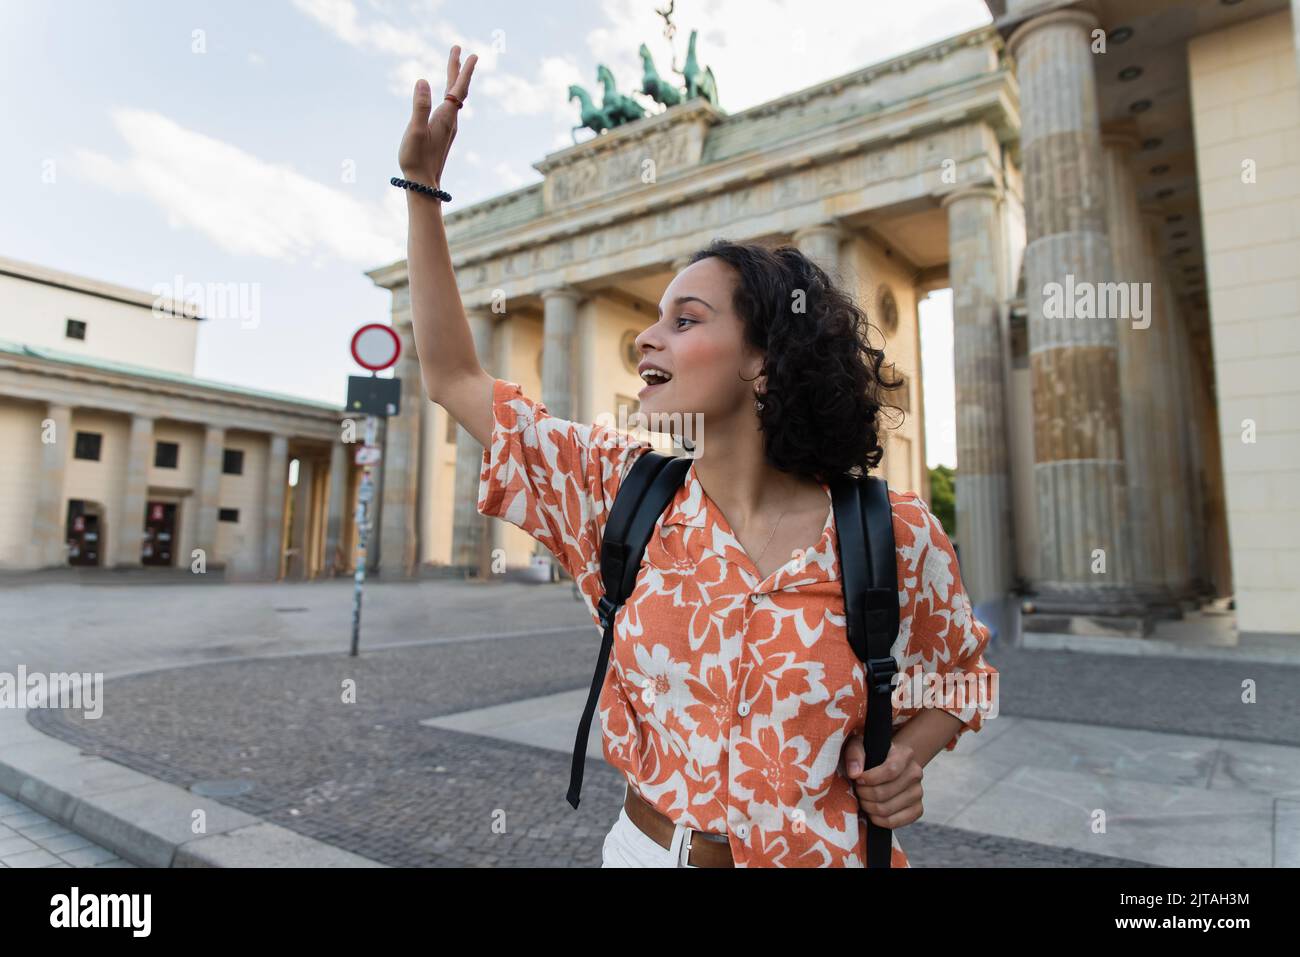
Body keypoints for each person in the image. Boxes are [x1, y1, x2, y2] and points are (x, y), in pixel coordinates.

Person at [399, 45, 998, 868]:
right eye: (652, 317)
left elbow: (965, 676)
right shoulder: (615, 493)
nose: (648, 336)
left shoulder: (891, 533)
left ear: (762, 358)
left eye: (686, 319)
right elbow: (454, 375)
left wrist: (909, 755)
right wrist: (424, 193)